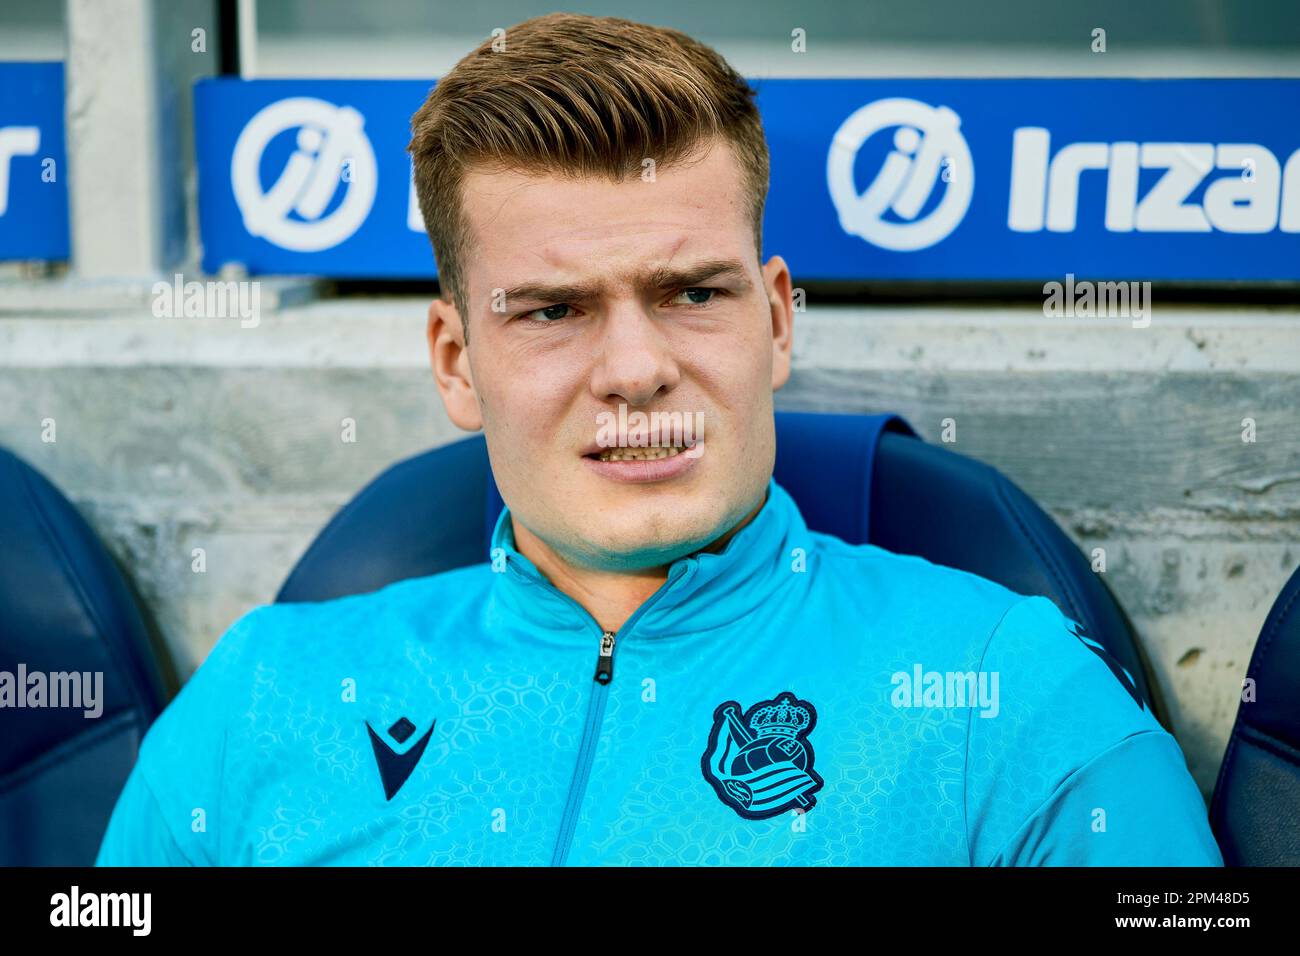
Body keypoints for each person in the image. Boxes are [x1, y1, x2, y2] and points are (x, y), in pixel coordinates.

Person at [96, 12, 1222, 866]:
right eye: (552, 309)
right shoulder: (262, 698)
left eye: (690, 293)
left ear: (774, 320)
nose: (636, 368)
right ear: (454, 360)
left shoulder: (1009, 692)